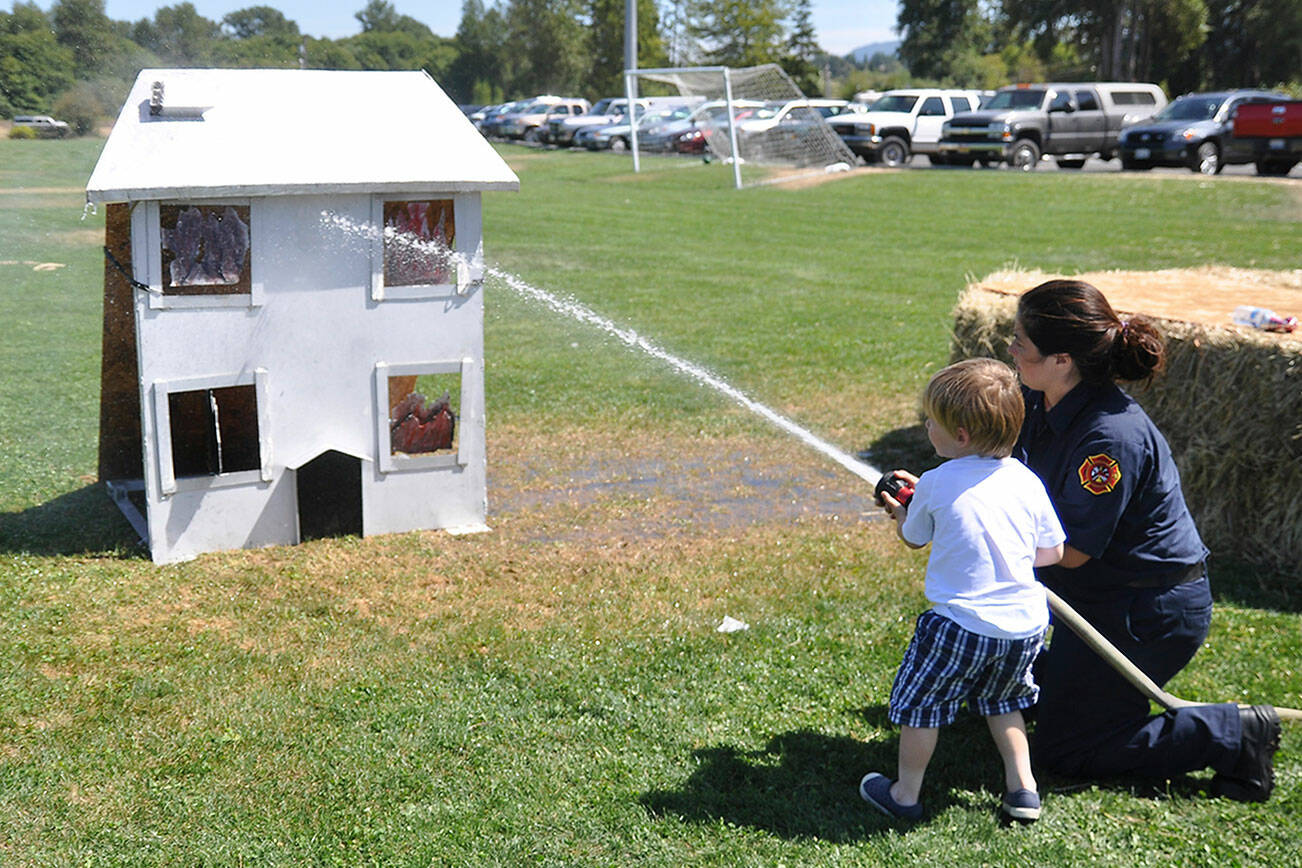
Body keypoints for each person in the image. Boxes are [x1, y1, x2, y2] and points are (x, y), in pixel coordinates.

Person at [1009, 279, 1280, 801]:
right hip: (1101, 597)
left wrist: (982, 538)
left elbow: (1073, 552)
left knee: (1063, 750)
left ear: (1062, 359)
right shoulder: (1039, 399)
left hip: (1145, 612)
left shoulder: (1109, 439)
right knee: (1013, 696)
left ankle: (1233, 734)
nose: (1011, 350)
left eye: (1020, 342)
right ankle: (1087, 697)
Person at [862, 358, 1066, 822]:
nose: (925, 426)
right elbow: (1052, 552)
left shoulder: (934, 482)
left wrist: (902, 512)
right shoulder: (1026, 480)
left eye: (931, 421)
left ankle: (904, 795)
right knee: (1005, 703)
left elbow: (915, 536)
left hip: (960, 625)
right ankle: (1024, 791)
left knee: (922, 707)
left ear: (961, 436)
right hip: (1025, 627)